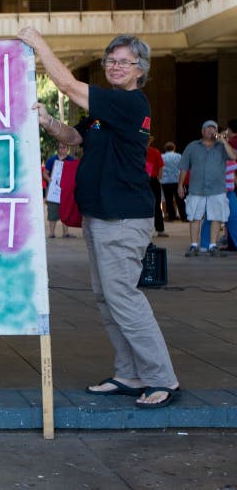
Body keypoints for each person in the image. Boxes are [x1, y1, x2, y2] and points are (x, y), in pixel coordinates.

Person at [18, 28, 180, 409]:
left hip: (121, 219)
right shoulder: (104, 114)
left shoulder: (129, 103)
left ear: (141, 70)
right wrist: (47, 121)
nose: (116, 66)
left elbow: (68, 84)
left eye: (125, 62)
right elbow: (76, 137)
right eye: (111, 61)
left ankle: (161, 379)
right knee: (108, 298)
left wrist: (38, 44)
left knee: (123, 297)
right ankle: (129, 373)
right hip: (100, 217)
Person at [178, 120, 236, 257]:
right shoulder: (192, 147)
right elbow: (184, 167)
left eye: (213, 128)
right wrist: (180, 185)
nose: (210, 131)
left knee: (216, 217)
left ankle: (213, 245)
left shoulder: (221, 147)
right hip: (196, 188)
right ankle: (194, 245)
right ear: (202, 131)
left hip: (217, 189)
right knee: (194, 216)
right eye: (208, 128)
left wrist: (223, 141)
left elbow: (234, 156)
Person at [42, 143, 76, 238]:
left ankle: (65, 233)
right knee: (52, 210)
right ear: (57, 149)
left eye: (64, 147)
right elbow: (45, 173)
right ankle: (51, 233)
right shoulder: (52, 160)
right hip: (53, 190)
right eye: (60, 147)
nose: (62, 149)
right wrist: (50, 180)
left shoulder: (71, 160)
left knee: (65, 210)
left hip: (66, 191)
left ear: (67, 149)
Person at [145, 137, 166, 236]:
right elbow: (161, 166)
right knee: (156, 205)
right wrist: (159, 177)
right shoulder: (154, 151)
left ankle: (159, 229)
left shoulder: (138, 150)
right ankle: (159, 230)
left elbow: (161, 166)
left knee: (156, 205)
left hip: (147, 180)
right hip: (151, 180)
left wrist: (159, 177)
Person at [160, 141, 185, 222]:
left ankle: (171, 217)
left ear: (165, 149)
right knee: (179, 199)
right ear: (174, 148)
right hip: (176, 180)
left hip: (165, 181)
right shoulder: (178, 156)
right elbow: (182, 167)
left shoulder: (162, 156)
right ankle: (184, 217)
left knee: (168, 199)